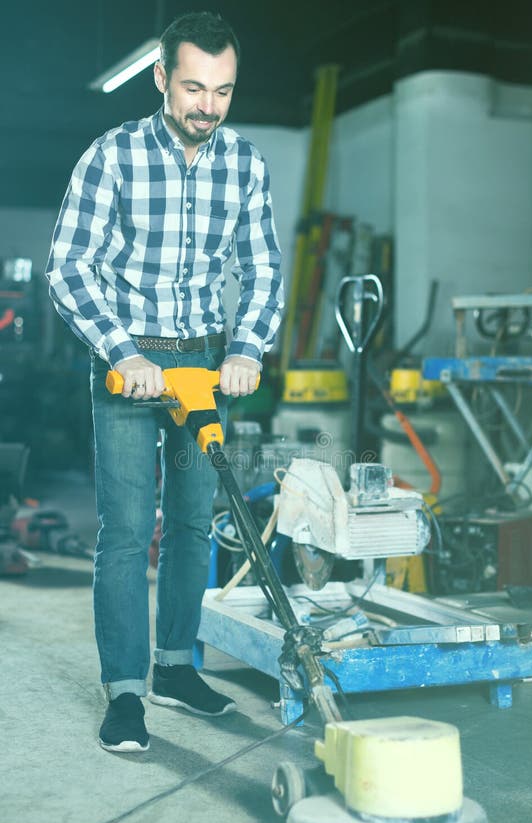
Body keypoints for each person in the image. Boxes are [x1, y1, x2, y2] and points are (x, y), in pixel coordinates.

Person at [46, 11, 284, 752]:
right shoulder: (111, 156)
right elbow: (67, 267)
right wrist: (125, 354)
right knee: (124, 534)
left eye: (222, 90)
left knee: (189, 526)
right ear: (160, 79)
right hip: (130, 366)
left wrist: (246, 349)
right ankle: (126, 692)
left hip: (203, 362)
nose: (206, 106)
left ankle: (177, 666)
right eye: (192, 87)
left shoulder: (244, 163)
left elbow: (267, 269)